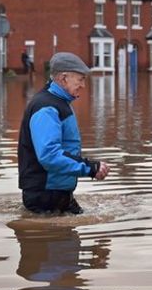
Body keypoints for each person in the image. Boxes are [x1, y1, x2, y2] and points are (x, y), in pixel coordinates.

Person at [17, 52, 110, 214]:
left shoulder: (59, 102)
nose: (83, 85)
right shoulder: (47, 108)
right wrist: (90, 168)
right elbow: (49, 155)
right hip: (45, 195)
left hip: (57, 192)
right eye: (80, 79)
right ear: (63, 78)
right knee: (60, 238)